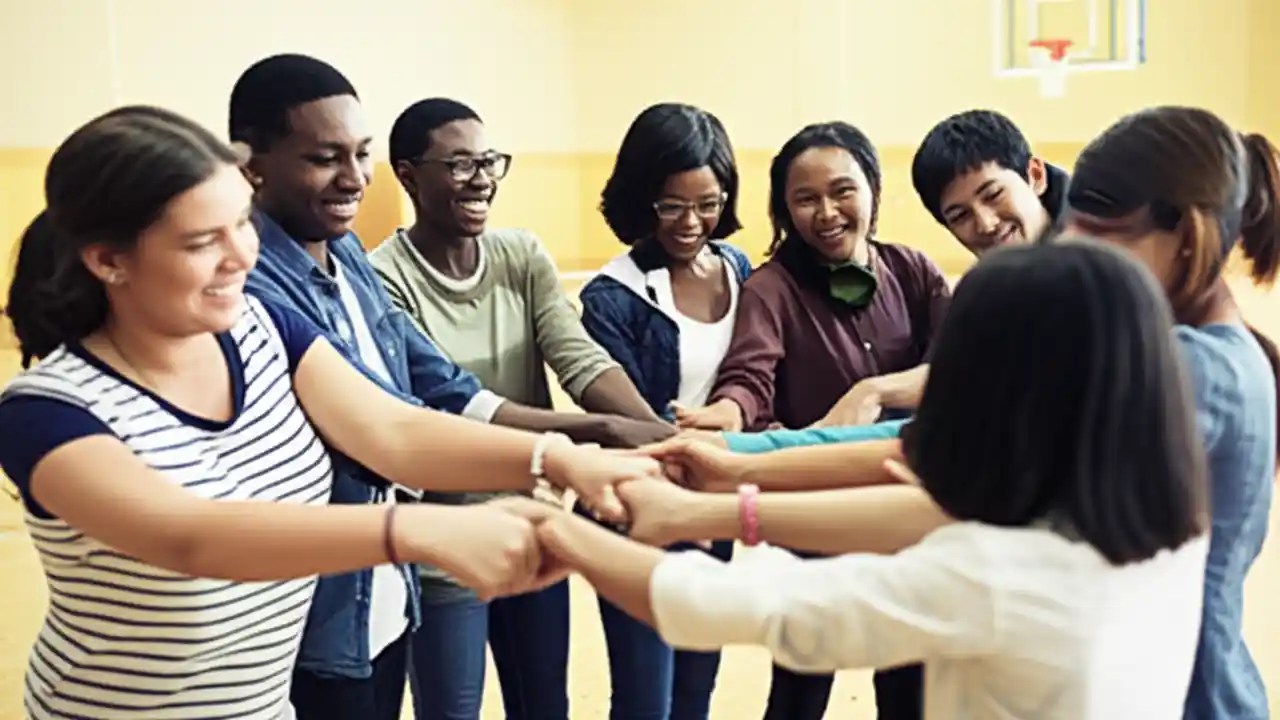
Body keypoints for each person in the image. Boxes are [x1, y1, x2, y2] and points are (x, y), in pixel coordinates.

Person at [0, 105, 659, 720]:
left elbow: (393, 431)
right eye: (203, 241)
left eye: (242, 224)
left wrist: (559, 459)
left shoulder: (261, 327)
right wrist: (420, 530)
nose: (242, 257)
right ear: (108, 260)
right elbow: (192, 538)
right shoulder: (49, 412)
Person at [539, 240, 1213, 720]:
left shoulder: (992, 575)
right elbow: (908, 490)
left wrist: (556, 530)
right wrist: (722, 493)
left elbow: (735, 604)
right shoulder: (1162, 523)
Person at [227, 54, 654, 719]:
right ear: (250, 165)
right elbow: (389, 432)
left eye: (360, 153)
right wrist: (565, 451)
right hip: (321, 611)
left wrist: (614, 430)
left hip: (385, 597)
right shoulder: (256, 289)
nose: (353, 178)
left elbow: (444, 386)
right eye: (325, 158)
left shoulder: (346, 256)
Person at [369, 97, 669, 719]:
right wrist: (598, 431)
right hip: (445, 545)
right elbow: (447, 402)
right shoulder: (383, 278)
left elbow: (578, 357)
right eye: (459, 165)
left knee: (544, 706)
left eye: (489, 162)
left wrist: (655, 435)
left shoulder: (521, 256)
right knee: (452, 712)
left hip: (534, 526)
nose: (481, 179)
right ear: (407, 175)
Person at [672, 121, 950, 720]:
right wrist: (728, 413)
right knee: (802, 687)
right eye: (805, 199)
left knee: (909, 685)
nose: (826, 213)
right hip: (819, 521)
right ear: (784, 210)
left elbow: (960, 369)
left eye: (842, 190)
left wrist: (875, 390)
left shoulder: (913, 271)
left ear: (873, 189)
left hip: (906, 519)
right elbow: (750, 376)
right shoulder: (771, 288)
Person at [1059, 106, 1280, 720]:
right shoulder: (1222, 353)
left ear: (1183, 235)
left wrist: (789, 477)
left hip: (1190, 695)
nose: (1081, 259)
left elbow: (969, 468)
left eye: (1103, 236)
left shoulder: (1197, 367)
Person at [573, 101, 750, 720]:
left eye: (708, 204)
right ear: (639, 196)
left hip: (712, 504)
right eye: (671, 205)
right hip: (636, 512)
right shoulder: (610, 297)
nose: (691, 222)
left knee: (697, 688)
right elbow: (620, 426)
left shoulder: (739, 270)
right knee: (646, 697)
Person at [818, 108, 1068, 427]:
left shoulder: (1106, 249)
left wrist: (878, 391)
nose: (986, 223)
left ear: (1035, 175)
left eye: (993, 195)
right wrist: (872, 392)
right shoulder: (984, 290)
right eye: (960, 216)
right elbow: (957, 371)